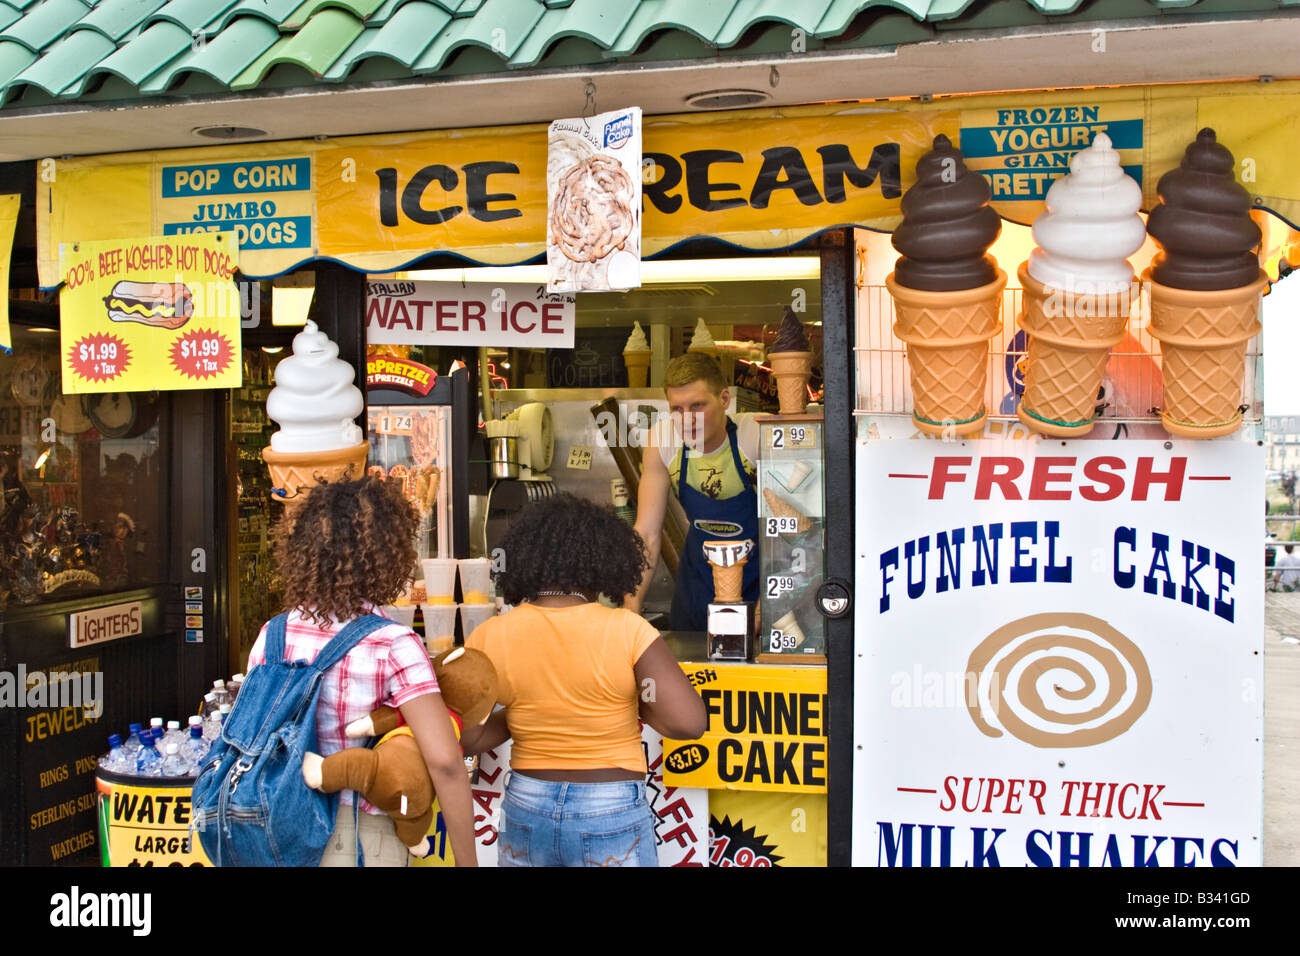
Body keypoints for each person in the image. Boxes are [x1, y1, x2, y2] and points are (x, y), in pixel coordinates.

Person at [462, 493, 708, 867]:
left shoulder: (491, 635)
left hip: (527, 804)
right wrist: (627, 700)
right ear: (605, 561)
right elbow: (688, 723)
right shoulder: (626, 629)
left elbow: (469, 737)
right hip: (608, 805)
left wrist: (525, 712)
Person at [245, 477, 476, 867]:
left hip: (279, 828)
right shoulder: (392, 643)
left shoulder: (273, 634)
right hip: (359, 837)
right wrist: (468, 862)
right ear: (389, 554)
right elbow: (445, 763)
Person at [626, 352, 761, 630]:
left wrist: (768, 607)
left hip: (759, 583)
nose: (687, 420)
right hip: (697, 586)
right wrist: (629, 609)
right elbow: (647, 533)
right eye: (677, 409)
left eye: (698, 406)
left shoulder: (757, 434)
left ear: (724, 399)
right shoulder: (663, 440)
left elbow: (791, 534)